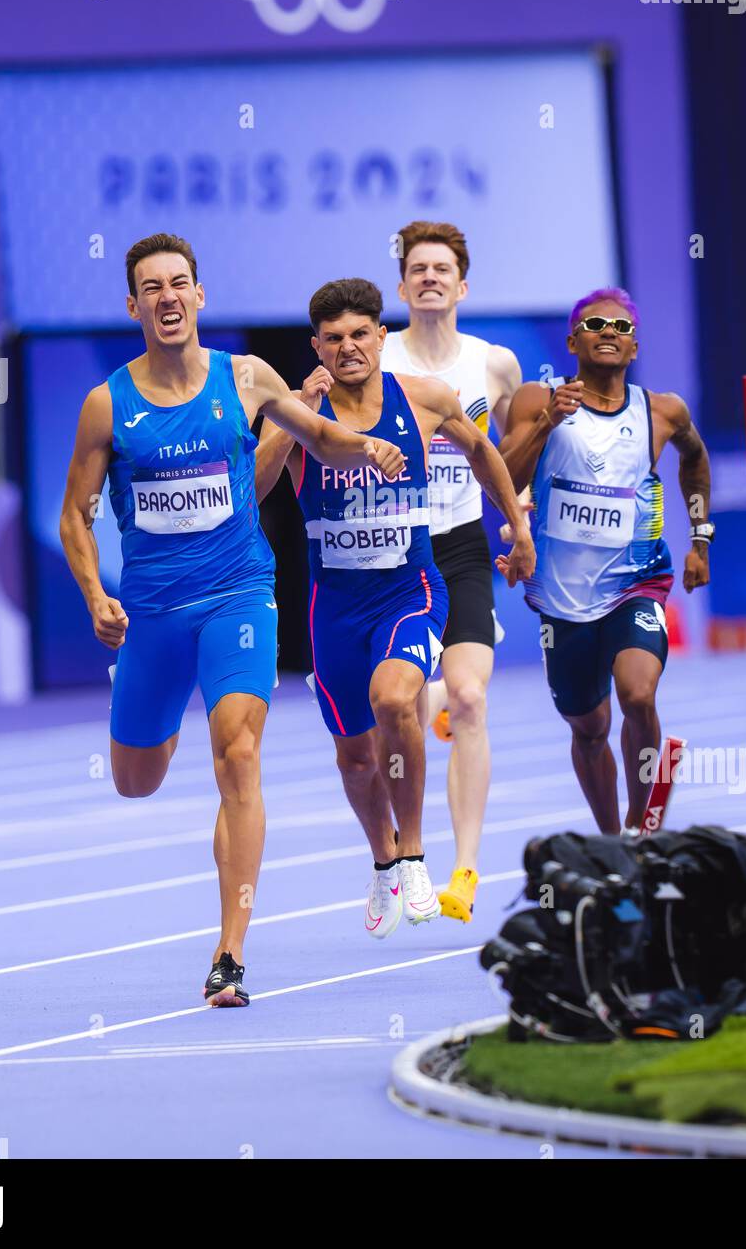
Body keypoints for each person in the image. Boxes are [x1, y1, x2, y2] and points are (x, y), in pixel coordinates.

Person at [59, 234, 404, 1007]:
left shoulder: (244, 378)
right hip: (151, 615)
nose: (169, 298)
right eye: (152, 288)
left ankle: (230, 954)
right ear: (134, 306)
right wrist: (94, 597)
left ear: (200, 296)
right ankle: (163, 704)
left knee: (239, 754)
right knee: (135, 780)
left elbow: (319, 434)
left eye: (180, 284)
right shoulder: (107, 405)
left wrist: (368, 447)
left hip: (239, 596)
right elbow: (75, 517)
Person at [254, 278, 534, 938]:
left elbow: (484, 452)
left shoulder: (424, 399)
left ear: (382, 335)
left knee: (395, 699)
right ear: (316, 344)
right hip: (333, 607)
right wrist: (297, 409)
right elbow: (258, 486)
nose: (349, 347)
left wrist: (518, 529)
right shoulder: (299, 414)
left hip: (410, 590)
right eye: (334, 338)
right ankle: (382, 858)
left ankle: (413, 853)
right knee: (353, 756)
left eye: (360, 334)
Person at [500, 287, 712, 835]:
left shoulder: (662, 411)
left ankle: (643, 829)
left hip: (636, 583)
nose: (608, 333)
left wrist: (701, 538)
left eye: (620, 327)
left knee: (638, 694)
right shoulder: (534, 399)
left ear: (634, 345)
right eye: (595, 324)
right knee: (588, 727)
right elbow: (501, 479)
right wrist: (546, 422)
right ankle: (612, 841)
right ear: (573, 340)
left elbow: (695, 458)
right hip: (562, 598)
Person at [378, 221, 523, 924]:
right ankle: (405, 855)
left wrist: (517, 506)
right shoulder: (377, 357)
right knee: (399, 705)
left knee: (469, 697)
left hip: (461, 544)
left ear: (462, 285)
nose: (430, 277)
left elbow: (507, 446)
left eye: (442, 269)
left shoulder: (493, 364)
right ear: (401, 286)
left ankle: (464, 871)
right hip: (393, 549)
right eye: (418, 269)